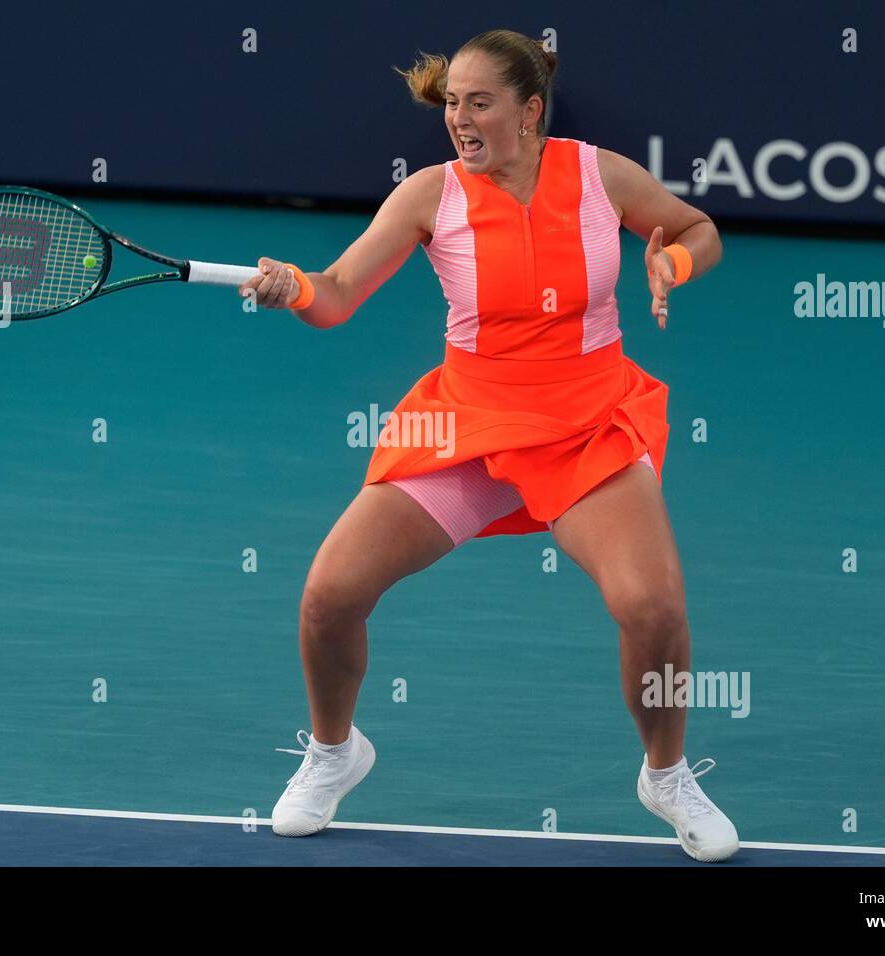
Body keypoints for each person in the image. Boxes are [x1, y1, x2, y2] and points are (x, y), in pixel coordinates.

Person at [240, 28, 738, 862]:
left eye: (480, 104)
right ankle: (334, 754)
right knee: (329, 595)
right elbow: (336, 295)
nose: (460, 121)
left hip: (587, 424)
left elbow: (698, 228)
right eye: (452, 106)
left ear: (529, 110)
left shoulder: (597, 175)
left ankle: (667, 773)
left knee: (652, 610)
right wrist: (294, 287)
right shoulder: (427, 196)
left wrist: (674, 266)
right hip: (466, 426)